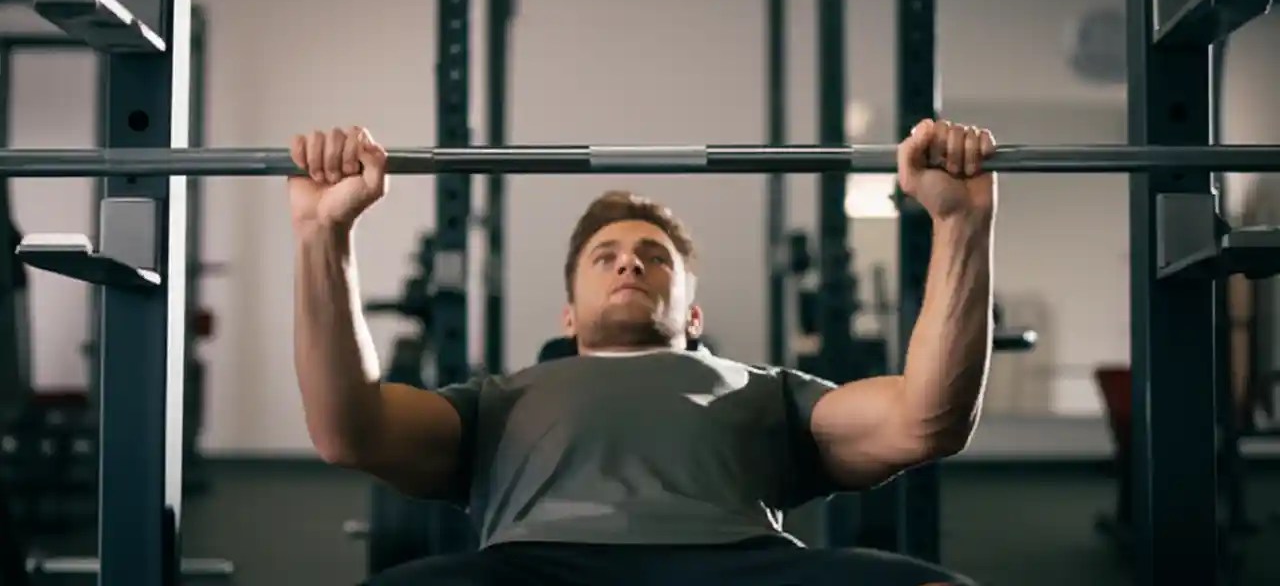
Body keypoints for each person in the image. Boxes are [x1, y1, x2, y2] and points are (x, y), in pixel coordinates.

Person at [289, 120, 998, 586]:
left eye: (654, 257)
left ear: (692, 313)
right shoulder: (502, 398)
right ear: (569, 314)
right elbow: (348, 431)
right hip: (537, 569)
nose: (629, 263)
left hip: (740, 568)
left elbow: (924, 422)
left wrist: (961, 223)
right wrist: (324, 234)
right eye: (605, 256)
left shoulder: (765, 389)